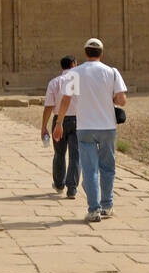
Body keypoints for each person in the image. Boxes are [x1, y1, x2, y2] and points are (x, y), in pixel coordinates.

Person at [52, 37, 127, 223]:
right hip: (107, 126)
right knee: (108, 167)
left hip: (85, 127)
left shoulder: (75, 73)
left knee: (90, 168)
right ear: (101, 53)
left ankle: (94, 209)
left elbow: (66, 100)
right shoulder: (112, 72)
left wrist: (59, 123)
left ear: (85, 53)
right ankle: (107, 205)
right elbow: (121, 100)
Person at [41, 56, 79, 198]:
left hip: (59, 119)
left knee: (59, 153)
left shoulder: (54, 82)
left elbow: (49, 106)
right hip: (77, 120)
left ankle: (59, 183)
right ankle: (72, 188)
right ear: (73, 64)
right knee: (76, 155)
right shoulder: (79, 81)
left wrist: (43, 126)